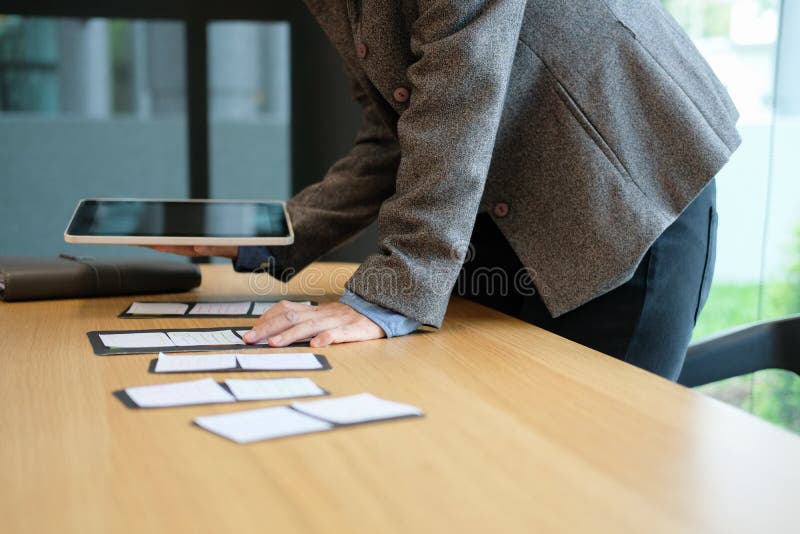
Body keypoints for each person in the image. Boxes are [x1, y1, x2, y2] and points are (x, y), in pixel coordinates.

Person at [154, 0, 740, 380]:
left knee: (588, 472)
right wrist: (262, 237)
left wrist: (391, 295)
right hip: (496, 204)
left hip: (619, 193)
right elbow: (397, 135)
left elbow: (461, 92)